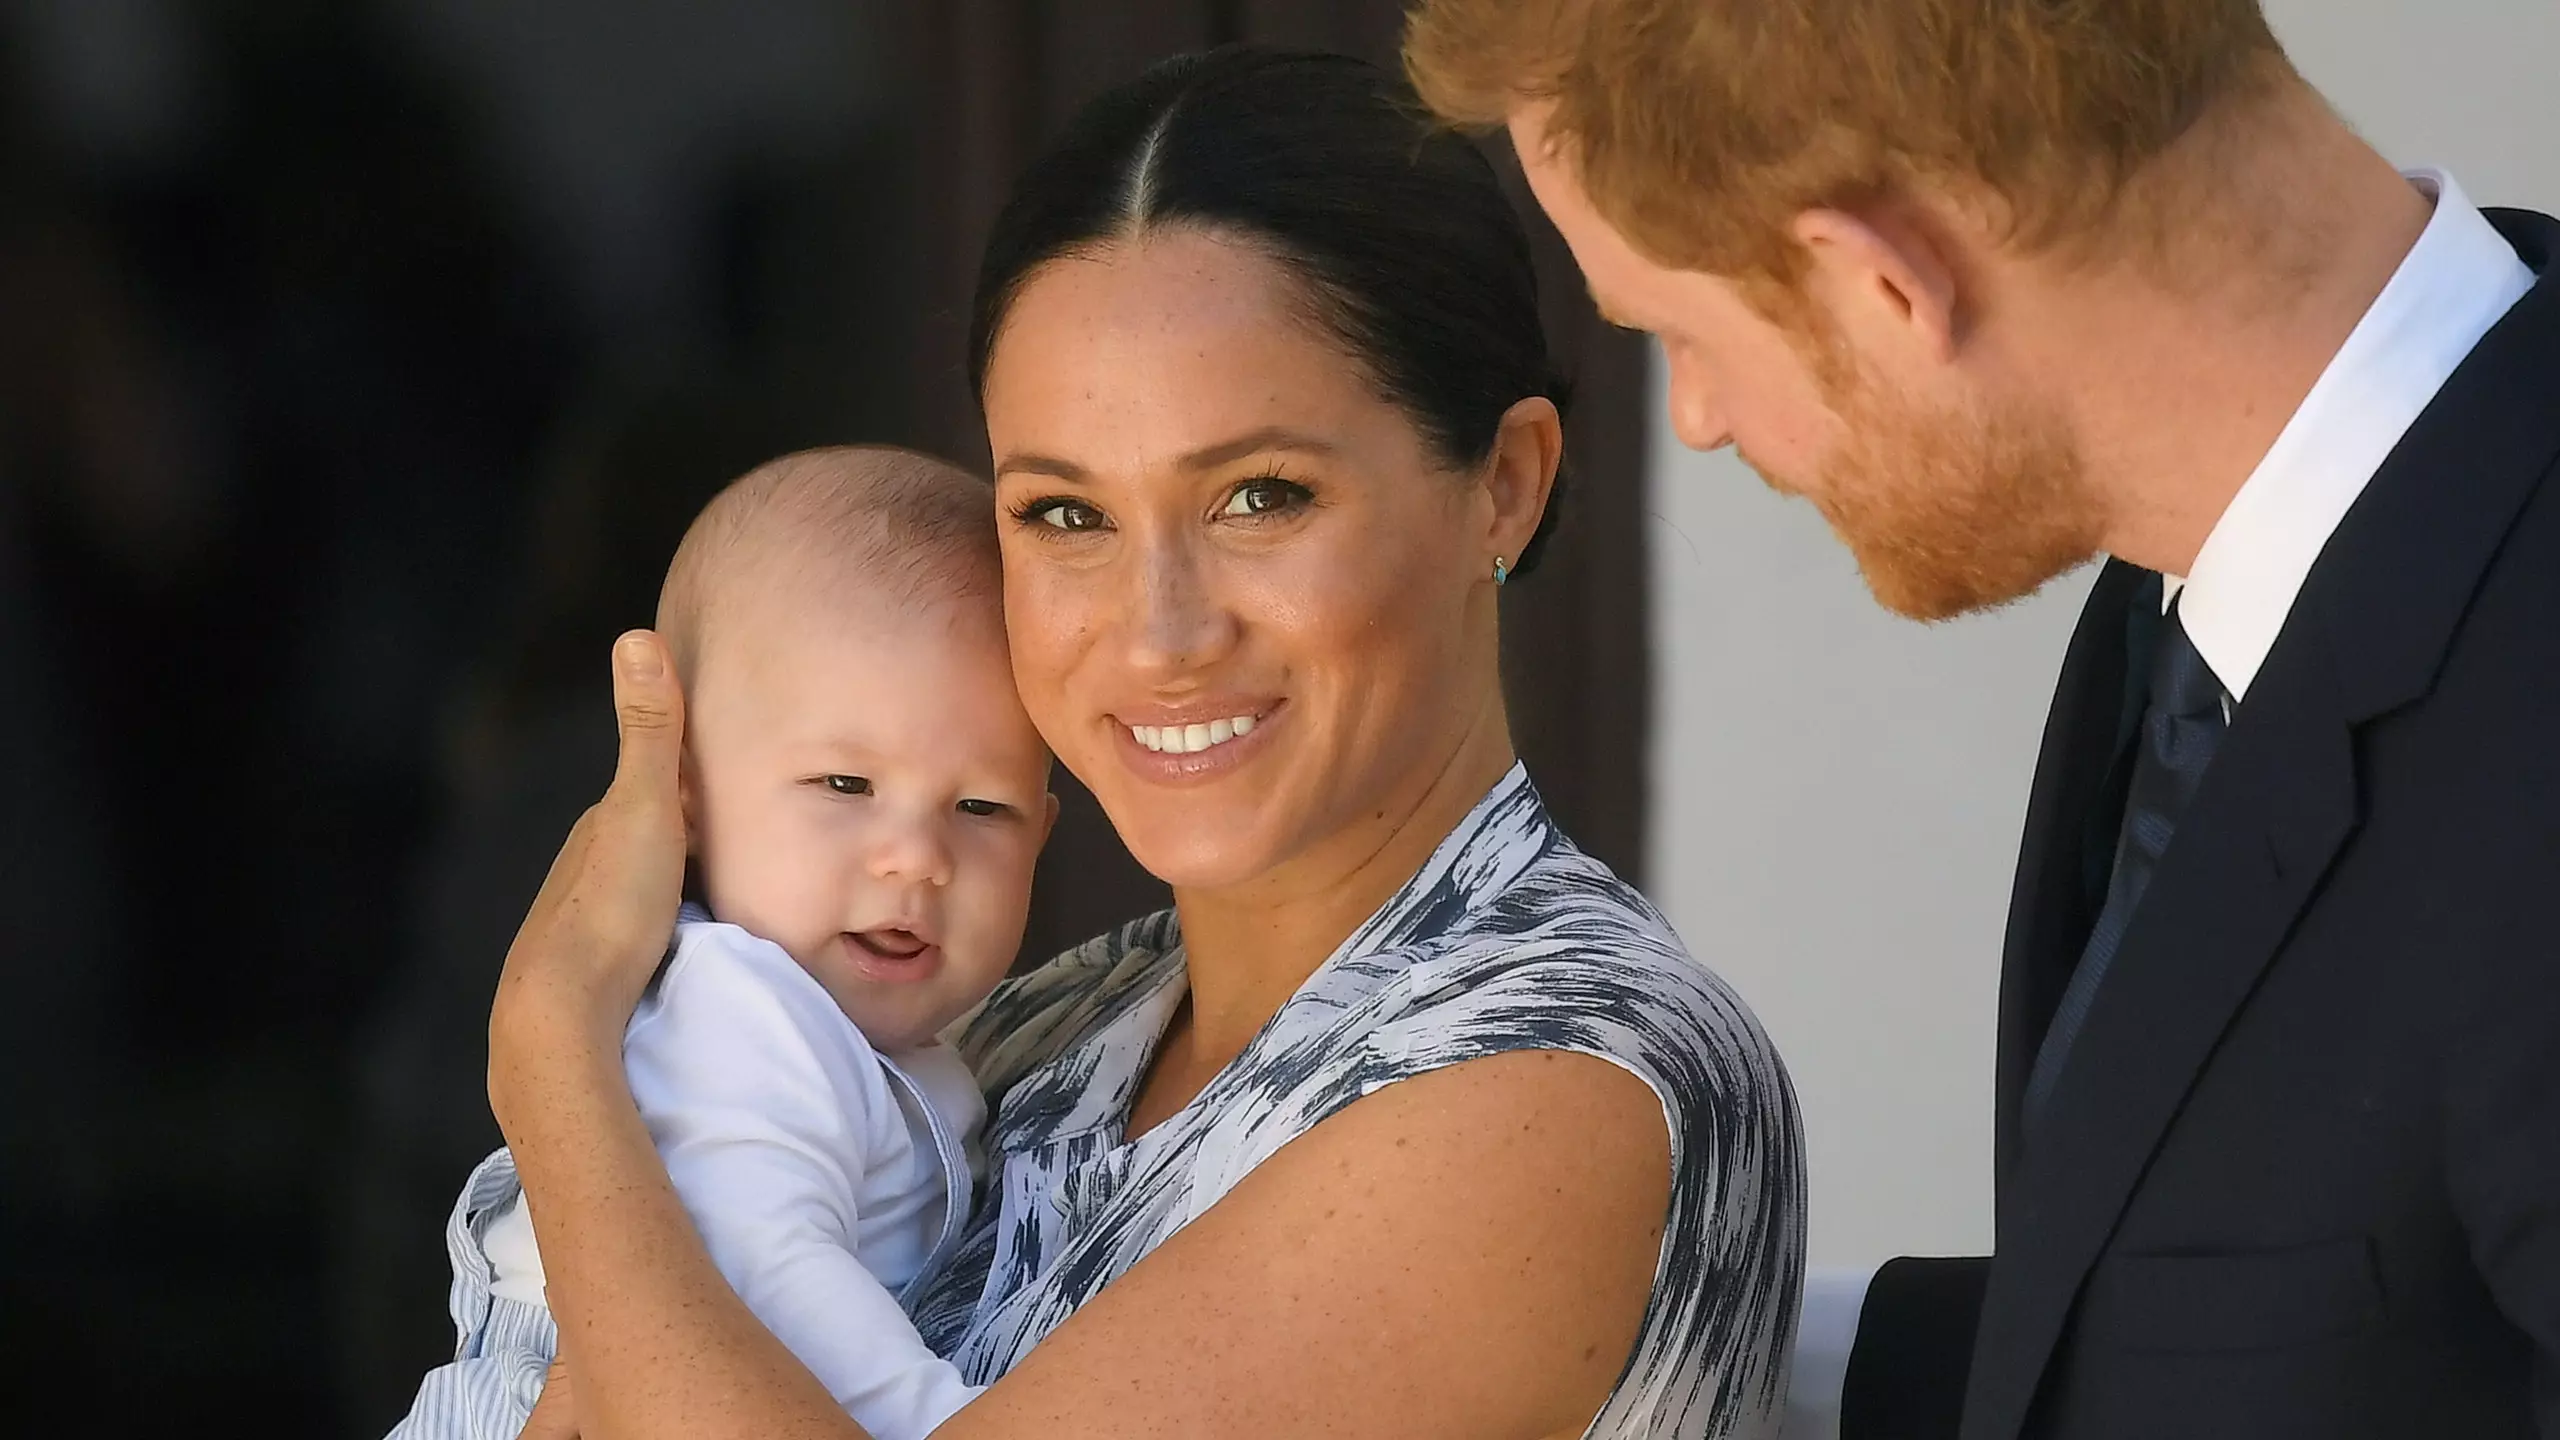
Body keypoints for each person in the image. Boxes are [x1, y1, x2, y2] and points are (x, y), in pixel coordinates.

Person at [481, 47, 1804, 1440]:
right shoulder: (1048, 1028)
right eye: (1065, 514)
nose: (1158, 633)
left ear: (1506, 488)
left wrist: (555, 1054)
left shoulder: (1562, 1079)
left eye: (1259, 495)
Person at [1405, 1, 2560, 1437]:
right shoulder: (2212, 593)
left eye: (1676, 335)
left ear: (1883, 286)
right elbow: (2303, 1327)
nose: (1695, 417)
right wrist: (1642, 1343)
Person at [389, 446, 1056, 1440]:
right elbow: (769, 1281)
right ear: (685, 798)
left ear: (1044, 831)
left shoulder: (874, 1038)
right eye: (845, 787)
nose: (916, 858)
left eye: (981, 806)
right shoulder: (740, 1013)